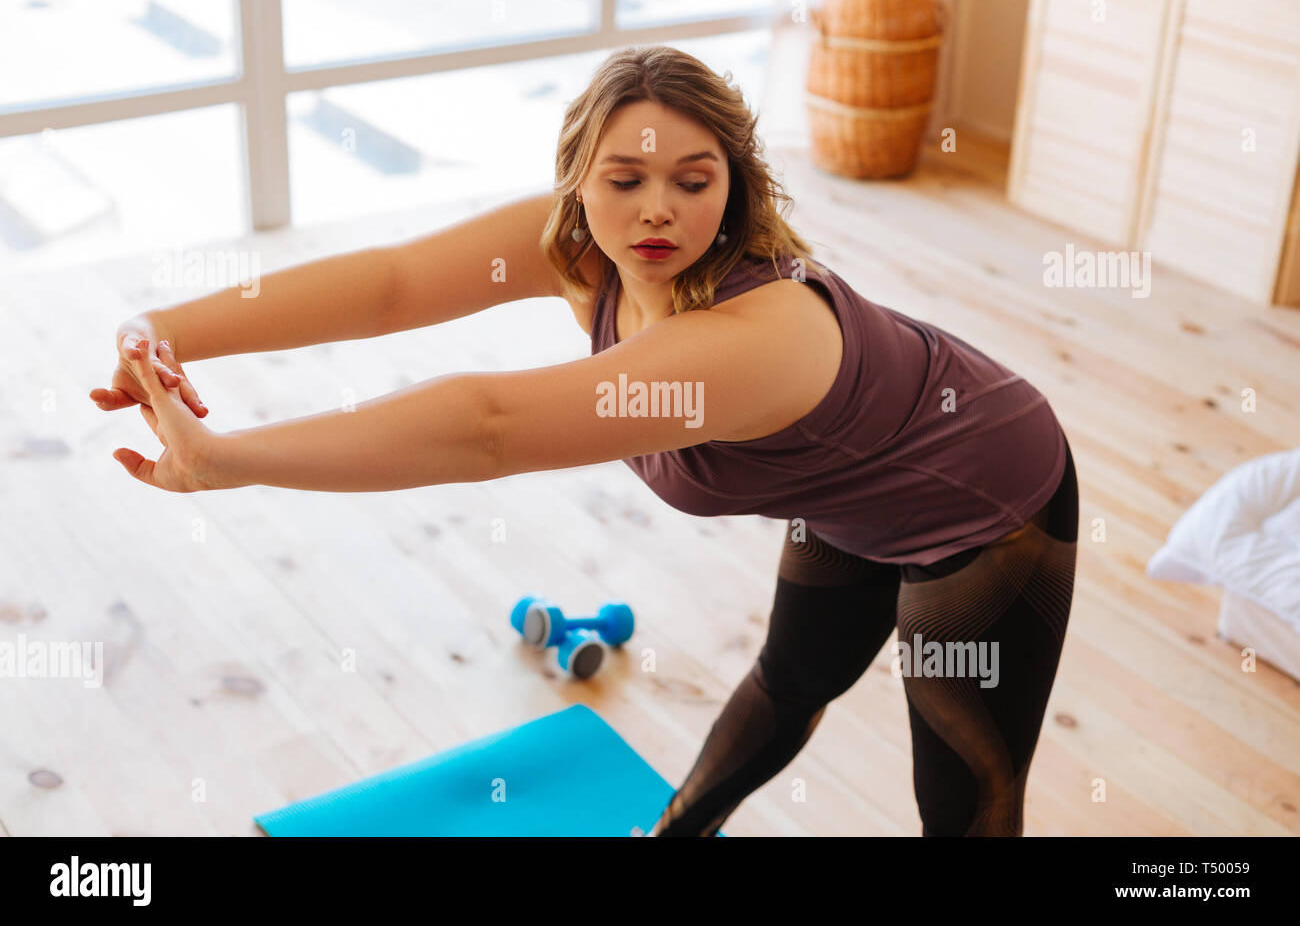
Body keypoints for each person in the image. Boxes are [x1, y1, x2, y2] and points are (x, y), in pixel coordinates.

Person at [90, 45, 1078, 836]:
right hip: (851, 489)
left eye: (694, 181)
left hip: (983, 495)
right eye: (625, 177)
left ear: (734, 188)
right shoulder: (576, 246)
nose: (656, 209)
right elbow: (391, 282)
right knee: (791, 676)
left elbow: (488, 427)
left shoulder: (749, 339)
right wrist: (167, 326)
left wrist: (235, 458)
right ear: (577, 177)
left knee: (962, 805)